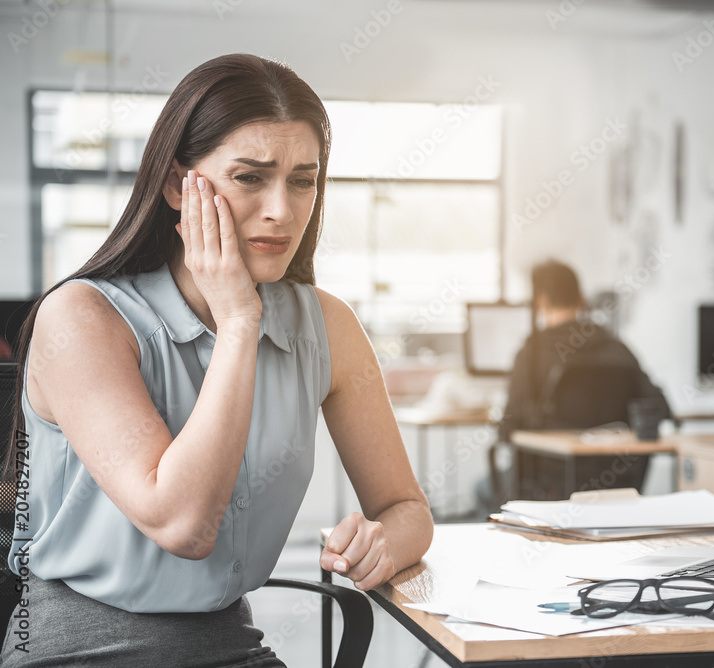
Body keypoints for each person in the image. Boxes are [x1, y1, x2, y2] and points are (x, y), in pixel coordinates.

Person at [1, 54, 432, 666]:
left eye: (303, 180)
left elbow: (408, 508)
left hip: (229, 643)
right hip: (79, 648)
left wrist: (384, 541)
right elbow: (184, 527)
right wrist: (237, 322)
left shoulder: (326, 326)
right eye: (251, 178)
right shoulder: (81, 319)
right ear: (181, 185)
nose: (282, 209)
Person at [496, 260, 671, 498]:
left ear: (541, 302)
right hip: (617, 485)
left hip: (549, 491)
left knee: (482, 488)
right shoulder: (617, 347)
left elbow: (508, 427)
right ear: (581, 299)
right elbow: (658, 406)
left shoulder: (532, 353)